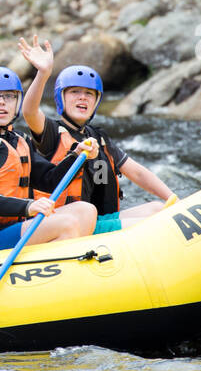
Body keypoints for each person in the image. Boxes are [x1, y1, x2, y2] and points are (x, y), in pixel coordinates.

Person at [20, 37, 175, 233]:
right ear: (61, 98)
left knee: (159, 208)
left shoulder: (99, 139)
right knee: (156, 224)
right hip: (72, 224)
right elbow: (30, 112)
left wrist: (174, 200)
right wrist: (43, 74)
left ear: (96, 102)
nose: (82, 97)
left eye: (89, 93)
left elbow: (138, 173)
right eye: (75, 92)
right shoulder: (51, 134)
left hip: (100, 220)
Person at [0, 67, 98, 252]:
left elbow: (50, 180)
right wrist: (28, 207)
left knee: (86, 210)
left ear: (17, 103)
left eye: (9, 97)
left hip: (11, 228)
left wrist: (77, 155)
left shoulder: (18, 140)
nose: (1, 102)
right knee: (66, 224)